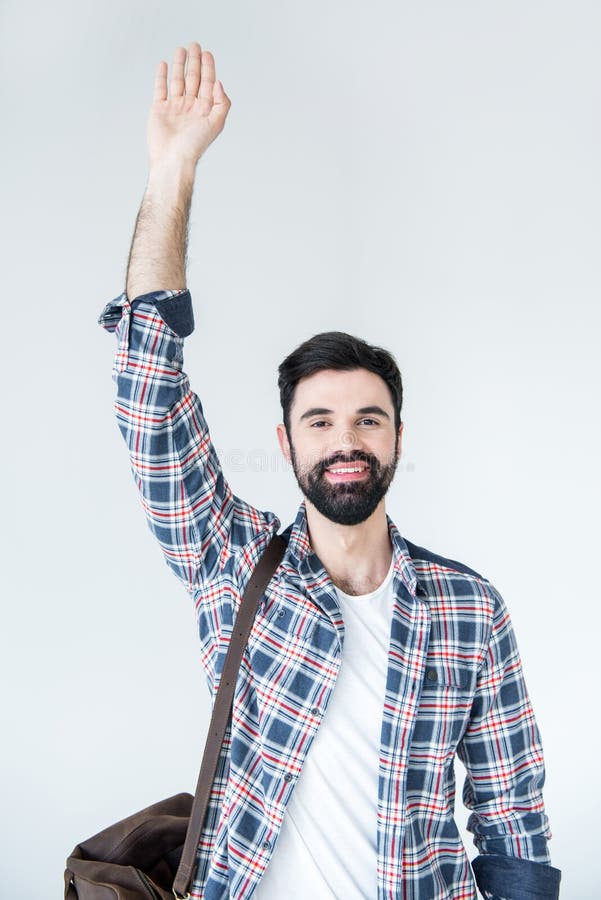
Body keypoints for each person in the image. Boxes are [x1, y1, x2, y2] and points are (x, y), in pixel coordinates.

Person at [99, 41, 562, 900]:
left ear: (395, 438)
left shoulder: (470, 610)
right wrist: (172, 173)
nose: (344, 440)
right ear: (285, 444)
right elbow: (148, 397)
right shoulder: (231, 564)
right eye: (318, 421)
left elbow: (511, 812)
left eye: (366, 419)